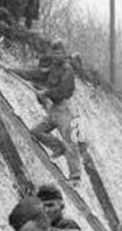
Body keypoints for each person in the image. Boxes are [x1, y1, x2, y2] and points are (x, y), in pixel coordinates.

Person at [24, 41, 81, 182]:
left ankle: (75, 176)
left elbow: (64, 91)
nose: (56, 56)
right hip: (54, 109)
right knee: (36, 132)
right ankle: (58, 147)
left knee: (70, 142)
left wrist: (46, 92)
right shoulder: (53, 68)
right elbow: (35, 74)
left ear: (64, 53)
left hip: (66, 109)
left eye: (59, 53)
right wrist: (11, 69)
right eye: (54, 53)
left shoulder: (68, 70)